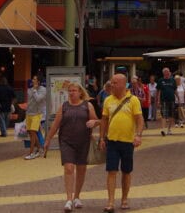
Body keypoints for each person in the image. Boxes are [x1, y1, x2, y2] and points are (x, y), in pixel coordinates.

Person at [44, 81, 99, 211]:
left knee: (81, 169)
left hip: (83, 141)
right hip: (66, 141)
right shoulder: (64, 106)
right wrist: (48, 139)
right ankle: (69, 199)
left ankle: (77, 196)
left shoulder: (88, 106)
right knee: (69, 168)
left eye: (74, 91)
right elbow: (55, 125)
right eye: (70, 91)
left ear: (80, 92)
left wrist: (94, 122)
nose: (71, 93)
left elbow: (98, 121)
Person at [99, 73, 144, 212]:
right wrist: (101, 138)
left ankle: (124, 199)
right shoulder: (108, 100)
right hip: (112, 141)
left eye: (114, 83)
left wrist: (138, 135)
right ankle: (110, 202)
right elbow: (104, 120)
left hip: (127, 142)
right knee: (111, 171)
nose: (111, 85)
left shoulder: (133, 100)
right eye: (111, 83)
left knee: (126, 171)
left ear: (123, 84)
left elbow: (139, 119)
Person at [24, 75, 47, 160]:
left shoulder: (43, 90)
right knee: (30, 132)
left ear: (38, 81)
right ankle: (38, 150)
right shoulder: (29, 89)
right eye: (33, 79)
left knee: (33, 132)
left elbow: (38, 99)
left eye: (34, 79)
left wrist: (34, 90)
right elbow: (29, 101)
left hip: (37, 114)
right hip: (29, 113)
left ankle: (31, 152)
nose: (32, 80)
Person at [155, 67, 176, 136]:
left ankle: (169, 129)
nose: (167, 73)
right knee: (163, 115)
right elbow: (158, 91)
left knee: (171, 115)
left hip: (172, 99)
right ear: (163, 73)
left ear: (169, 72)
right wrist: (157, 101)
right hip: (163, 100)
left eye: (168, 72)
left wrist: (178, 98)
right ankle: (163, 129)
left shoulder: (173, 80)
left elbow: (175, 90)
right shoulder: (161, 80)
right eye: (165, 72)